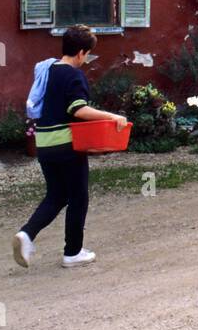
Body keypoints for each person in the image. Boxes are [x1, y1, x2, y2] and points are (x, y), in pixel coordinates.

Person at [12, 25, 127, 269]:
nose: (86, 60)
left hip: (44, 143)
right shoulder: (74, 76)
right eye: (88, 54)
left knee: (56, 195)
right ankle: (73, 252)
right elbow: (78, 109)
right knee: (78, 197)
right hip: (67, 144)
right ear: (81, 52)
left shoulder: (47, 70)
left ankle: (27, 235)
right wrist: (112, 117)